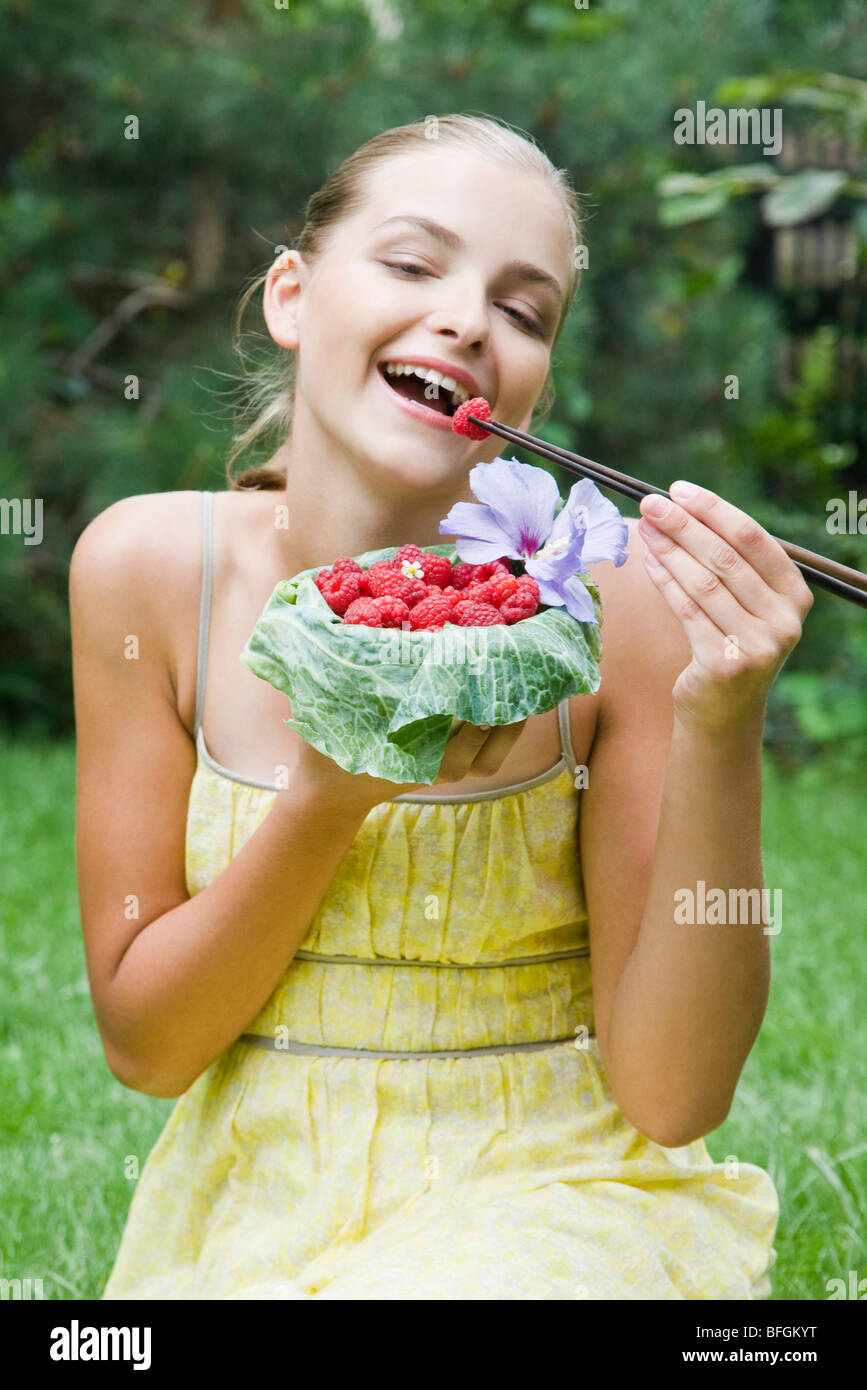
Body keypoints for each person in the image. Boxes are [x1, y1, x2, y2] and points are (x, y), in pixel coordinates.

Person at [71, 113, 810, 1300]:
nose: (469, 318)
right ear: (293, 298)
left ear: (533, 388)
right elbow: (146, 1046)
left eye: (523, 311)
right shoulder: (147, 574)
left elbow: (675, 1095)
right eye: (414, 265)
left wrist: (722, 718)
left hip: (561, 1201)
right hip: (255, 1208)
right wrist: (336, 790)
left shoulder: (616, 614)